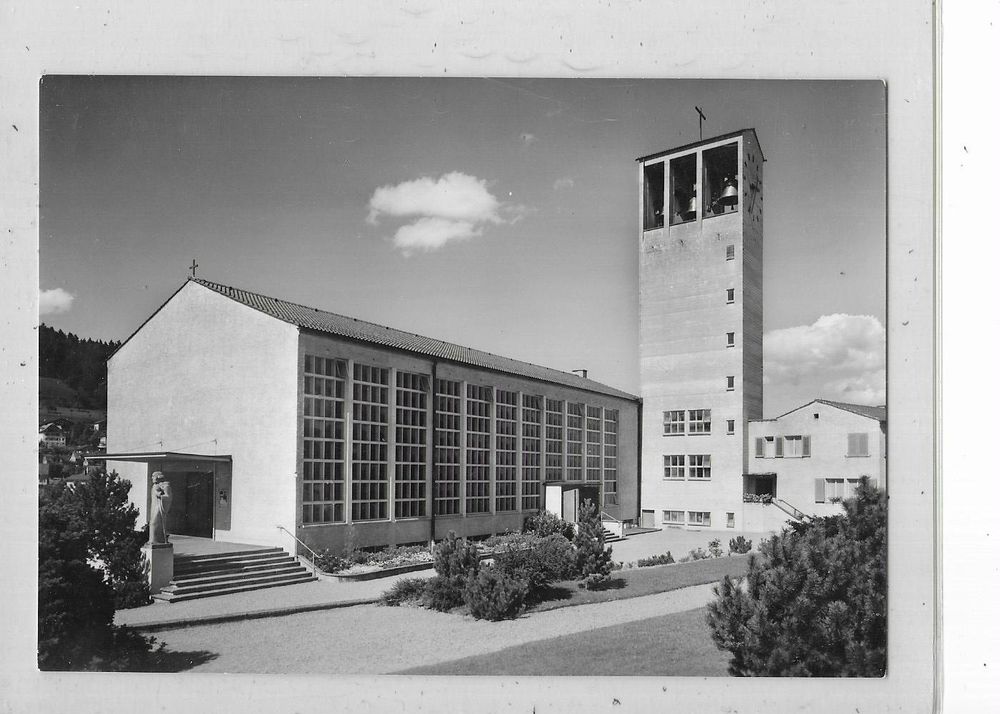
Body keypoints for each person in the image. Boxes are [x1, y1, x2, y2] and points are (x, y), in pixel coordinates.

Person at [149, 471, 173, 544]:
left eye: (154, 476)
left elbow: (169, 497)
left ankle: (157, 540)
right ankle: (153, 539)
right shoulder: (154, 486)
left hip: (159, 507)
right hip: (154, 507)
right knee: (152, 523)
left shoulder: (165, 485)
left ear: (158, 477)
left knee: (155, 523)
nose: (152, 478)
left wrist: (160, 495)